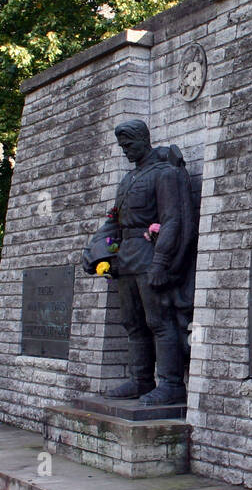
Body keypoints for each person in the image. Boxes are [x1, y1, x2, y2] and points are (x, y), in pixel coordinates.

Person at [83, 120, 197, 404]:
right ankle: (141, 380)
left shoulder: (165, 174)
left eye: (129, 144)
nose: (125, 151)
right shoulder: (127, 180)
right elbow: (115, 221)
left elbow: (173, 220)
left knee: (159, 321)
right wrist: (98, 250)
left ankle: (171, 384)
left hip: (149, 257)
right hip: (126, 260)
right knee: (133, 324)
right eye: (122, 146)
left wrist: (161, 262)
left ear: (144, 140)